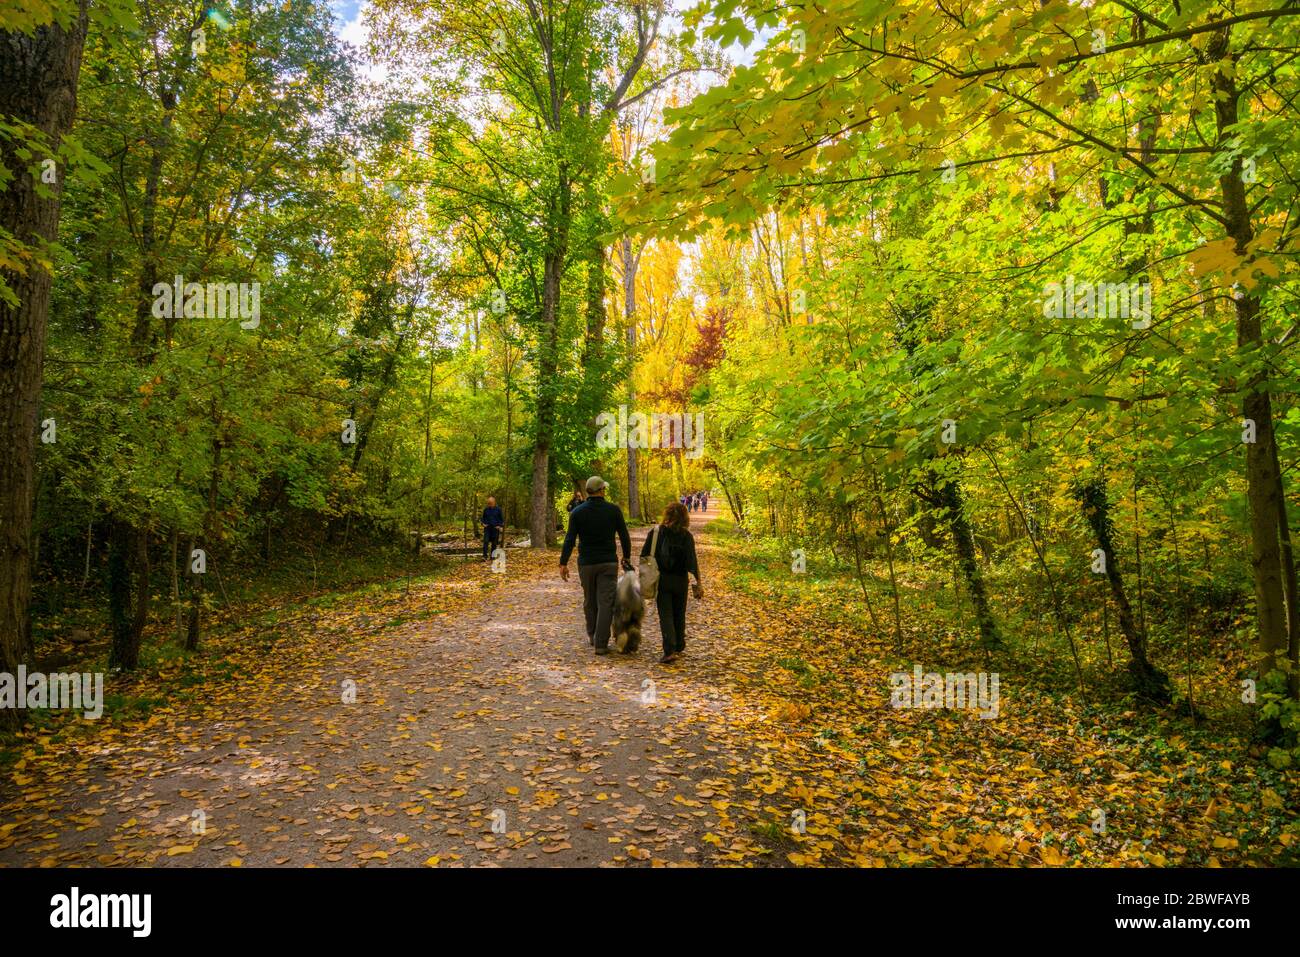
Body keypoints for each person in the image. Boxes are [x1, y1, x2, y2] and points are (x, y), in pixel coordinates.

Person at [559, 476, 633, 656]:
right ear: (601, 490)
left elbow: (570, 539)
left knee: (589, 600)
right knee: (606, 602)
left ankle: (592, 635)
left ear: (588, 492)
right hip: (608, 562)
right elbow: (624, 536)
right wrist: (626, 557)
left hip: (586, 563)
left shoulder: (577, 512)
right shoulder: (613, 510)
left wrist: (563, 562)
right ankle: (601, 644)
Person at [641, 501, 703, 664]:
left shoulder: (656, 533)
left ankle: (669, 650)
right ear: (685, 518)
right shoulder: (686, 536)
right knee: (679, 612)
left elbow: (644, 555)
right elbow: (692, 562)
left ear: (667, 515)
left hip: (662, 580)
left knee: (666, 614)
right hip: (680, 580)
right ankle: (679, 645)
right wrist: (699, 583)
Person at [481, 496, 504, 560]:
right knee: (485, 541)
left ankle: (492, 556)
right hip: (487, 528)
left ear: (494, 502)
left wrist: (499, 526)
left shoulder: (498, 509)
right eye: (488, 503)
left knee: (494, 543)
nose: (489, 504)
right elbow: (483, 518)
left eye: (491, 503)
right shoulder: (486, 509)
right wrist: (483, 524)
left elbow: (501, 520)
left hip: (495, 528)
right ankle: (484, 556)